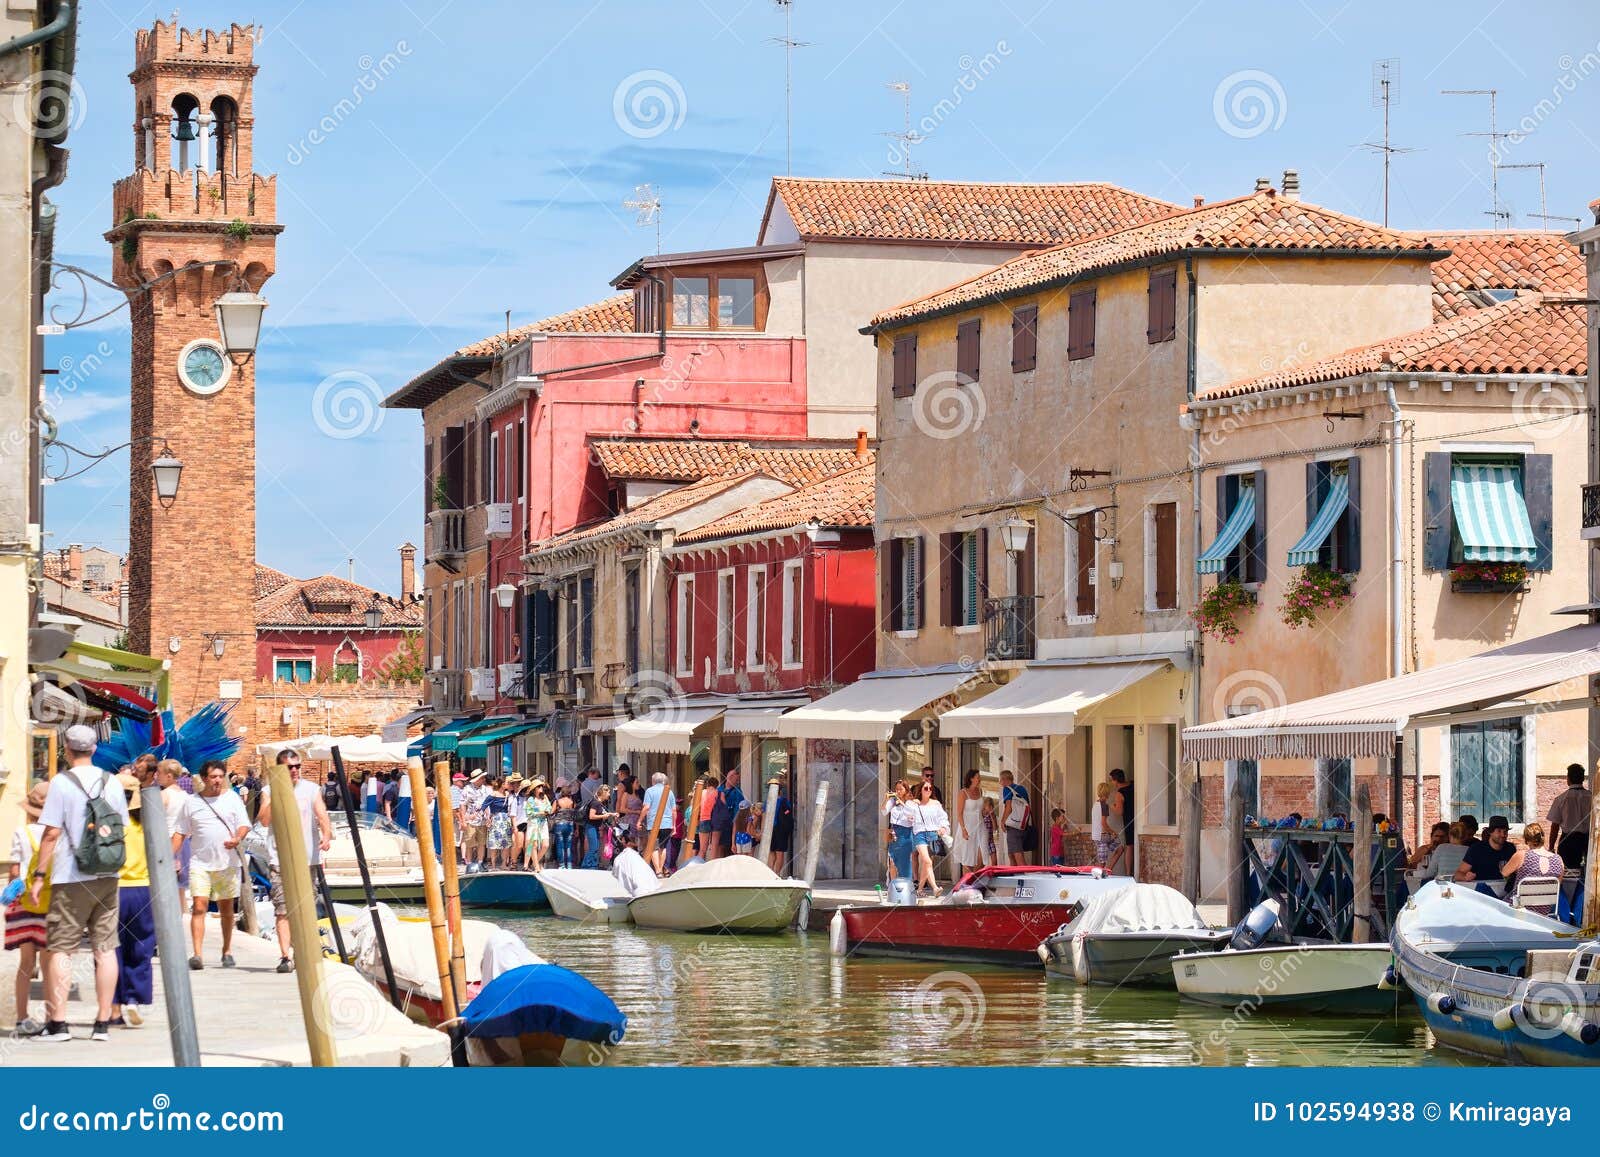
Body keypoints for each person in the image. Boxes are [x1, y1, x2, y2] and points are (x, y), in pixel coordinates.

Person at [29, 725, 129, 1042]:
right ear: (95, 749)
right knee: (106, 948)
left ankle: (58, 1023)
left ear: (67, 750)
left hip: (70, 878)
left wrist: (39, 876)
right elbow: (120, 827)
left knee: (61, 948)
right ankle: (102, 1023)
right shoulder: (112, 782)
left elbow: (51, 833)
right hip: (107, 876)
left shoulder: (60, 783)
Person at [257, 750, 333, 973]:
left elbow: (322, 814)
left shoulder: (311, 789)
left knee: (305, 908)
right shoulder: (268, 791)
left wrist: (326, 834)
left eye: (297, 766)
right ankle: (284, 956)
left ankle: (303, 953)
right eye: (289, 767)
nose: (294, 771)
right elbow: (263, 820)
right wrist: (280, 790)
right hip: (280, 858)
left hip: (307, 859)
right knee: (282, 909)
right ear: (280, 769)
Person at [173, 759, 250, 970]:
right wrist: (171, 855)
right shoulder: (191, 802)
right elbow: (180, 831)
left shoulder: (232, 799)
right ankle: (197, 954)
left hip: (227, 862)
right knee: (199, 906)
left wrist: (237, 838)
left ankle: (227, 950)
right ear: (204, 779)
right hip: (200, 862)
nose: (217, 780)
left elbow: (244, 824)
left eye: (220, 776)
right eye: (213, 777)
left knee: (226, 908)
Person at [6, 783, 51, 1037]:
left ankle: (22, 1017)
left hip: (24, 901)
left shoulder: (21, 832)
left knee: (26, 962)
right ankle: (50, 1016)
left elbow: (14, 872)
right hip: (48, 900)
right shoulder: (57, 832)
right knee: (48, 963)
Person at [110, 771, 154, 1027]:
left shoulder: (108, 824)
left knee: (110, 948)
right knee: (140, 947)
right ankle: (134, 999)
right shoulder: (146, 825)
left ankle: (113, 1005)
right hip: (143, 890)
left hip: (113, 889)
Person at [1499, 822, 1564, 914]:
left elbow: (1504, 873)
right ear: (1543, 838)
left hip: (1517, 909)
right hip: (1544, 911)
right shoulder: (1558, 859)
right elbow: (1558, 884)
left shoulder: (1522, 855)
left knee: (1483, 891)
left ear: (1526, 840)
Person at [1455, 814, 1517, 894]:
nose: (1503, 835)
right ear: (1490, 832)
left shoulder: (1510, 848)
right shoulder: (1476, 849)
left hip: (1505, 891)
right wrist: (1465, 877)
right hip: (1482, 893)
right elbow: (1458, 874)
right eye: (1499, 831)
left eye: (1505, 832)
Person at [909, 781, 951, 898]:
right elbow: (907, 816)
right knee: (927, 861)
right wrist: (912, 804)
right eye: (925, 788)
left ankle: (920, 890)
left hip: (932, 834)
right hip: (919, 834)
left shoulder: (936, 803)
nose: (928, 790)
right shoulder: (915, 804)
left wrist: (943, 827)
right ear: (921, 790)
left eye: (930, 788)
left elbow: (943, 818)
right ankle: (935, 888)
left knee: (926, 864)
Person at [1547, 763, 1591, 870]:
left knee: (1568, 875)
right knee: (1588, 872)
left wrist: (1551, 848)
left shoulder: (1561, 799)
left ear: (1568, 779)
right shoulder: (1592, 798)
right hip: (1588, 841)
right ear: (1582, 778)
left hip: (1568, 842)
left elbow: (1555, 825)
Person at [640, 773, 677, 875]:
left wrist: (640, 820)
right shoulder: (669, 792)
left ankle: (658, 871)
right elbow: (674, 810)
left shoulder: (649, 791)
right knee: (663, 847)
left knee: (653, 847)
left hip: (653, 823)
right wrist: (674, 825)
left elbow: (646, 807)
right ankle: (661, 868)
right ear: (664, 781)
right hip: (667, 823)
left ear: (653, 781)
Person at [953, 769, 985, 876]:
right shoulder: (963, 793)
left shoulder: (980, 791)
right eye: (977, 777)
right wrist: (963, 830)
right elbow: (959, 813)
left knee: (981, 857)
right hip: (967, 828)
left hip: (981, 827)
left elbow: (981, 810)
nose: (979, 778)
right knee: (968, 859)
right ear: (971, 778)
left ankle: (974, 881)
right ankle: (966, 886)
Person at [884, 779, 916, 881]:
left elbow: (913, 815)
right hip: (894, 832)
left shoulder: (911, 802)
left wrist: (901, 803)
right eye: (896, 789)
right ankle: (892, 886)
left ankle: (906, 886)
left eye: (900, 789)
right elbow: (884, 812)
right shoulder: (893, 801)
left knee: (905, 862)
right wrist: (886, 799)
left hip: (906, 833)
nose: (898, 791)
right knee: (892, 861)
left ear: (906, 790)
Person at [709, 769, 744, 861]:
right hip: (720, 824)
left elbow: (740, 809)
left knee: (733, 849)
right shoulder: (719, 790)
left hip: (733, 825)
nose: (737, 782)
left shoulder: (738, 791)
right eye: (736, 780)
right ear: (730, 778)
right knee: (720, 847)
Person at [610, 830, 657, 897]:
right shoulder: (640, 859)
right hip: (653, 890)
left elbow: (615, 875)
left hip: (638, 894)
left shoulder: (619, 859)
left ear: (623, 840)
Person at [1000, 770, 1031, 866]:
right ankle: (1015, 878)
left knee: (1017, 856)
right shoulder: (1022, 789)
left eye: (1000, 780)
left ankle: (1026, 879)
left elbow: (1008, 807)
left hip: (1013, 826)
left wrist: (1002, 821)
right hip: (1022, 825)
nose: (1000, 782)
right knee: (1012, 855)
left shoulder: (1006, 789)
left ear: (1005, 779)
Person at [584, 785, 618, 869]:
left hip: (595, 827)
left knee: (596, 846)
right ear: (604, 793)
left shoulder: (600, 803)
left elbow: (602, 813)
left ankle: (594, 865)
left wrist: (611, 814)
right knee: (593, 847)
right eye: (608, 793)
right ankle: (586, 865)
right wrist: (603, 816)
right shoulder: (595, 803)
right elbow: (591, 816)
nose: (609, 795)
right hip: (591, 826)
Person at [483, 777, 513, 870]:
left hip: (505, 820)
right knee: (493, 844)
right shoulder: (493, 794)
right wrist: (487, 818)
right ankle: (493, 865)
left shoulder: (508, 795)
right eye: (508, 783)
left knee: (506, 844)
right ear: (503, 784)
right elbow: (484, 806)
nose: (510, 785)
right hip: (495, 820)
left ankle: (504, 864)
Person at [461, 771, 489, 872]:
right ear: (476, 779)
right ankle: (469, 864)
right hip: (470, 821)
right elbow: (463, 805)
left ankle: (480, 863)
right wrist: (464, 820)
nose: (483, 779)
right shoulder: (467, 790)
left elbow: (487, 804)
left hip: (482, 820)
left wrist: (488, 817)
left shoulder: (486, 789)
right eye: (481, 778)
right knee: (470, 843)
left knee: (482, 843)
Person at [768, 778, 794, 876]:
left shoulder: (781, 801)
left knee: (775, 853)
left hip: (776, 830)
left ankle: (774, 875)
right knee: (776, 853)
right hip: (776, 830)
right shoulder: (783, 801)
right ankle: (774, 874)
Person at [1092, 782, 1121, 871]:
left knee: (1102, 860)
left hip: (1095, 836)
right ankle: (1107, 870)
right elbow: (1103, 823)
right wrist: (1113, 832)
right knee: (1119, 849)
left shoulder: (1095, 804)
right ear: (1107, 792)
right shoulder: (1104, 805)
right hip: (1103, 836)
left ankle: (1106, 871)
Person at [525, 781, 553, 870]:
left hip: (543, 823)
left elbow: (549, 808)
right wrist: (541, 812)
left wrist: (545, 811)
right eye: (539, 786)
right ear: (534, 789)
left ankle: (533, 863)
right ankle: (536, 865)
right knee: (533, 845)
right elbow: (529, 812)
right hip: (533, 823)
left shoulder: (544, 797)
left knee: (545, 845)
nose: (541, 788)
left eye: (541, 786)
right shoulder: (531, 799)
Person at [1110, 768, 1134, 862]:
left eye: (1112, 780)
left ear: (1116, 780)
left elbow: (1120, 812)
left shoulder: (1119, 793)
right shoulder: (1133, 784)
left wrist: (1112, 806)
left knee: (1129, 846)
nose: (1111, 782)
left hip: (1128, 820)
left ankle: (1128, 873)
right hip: (1138, 817)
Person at [550, 786, 577, 869]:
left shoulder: (557, 801)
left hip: (559, 825)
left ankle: (561, 865)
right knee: (568, 845)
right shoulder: (572, 802)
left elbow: (551, 812)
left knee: (560, 845)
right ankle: (569, 864)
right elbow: (574, 815)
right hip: (570, 825)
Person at [695, 774, 719, 860]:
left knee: (702, 849)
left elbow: (697, 807)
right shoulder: (717, 793)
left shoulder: (702, 792)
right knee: (714, 847)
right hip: (715, 821)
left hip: (704, 819)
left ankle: (698, 865)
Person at [506, 776, 527, 866]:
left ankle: (527, 863)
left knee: (528, 846)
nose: (518, 785)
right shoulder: (513, 797)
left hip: (529, 822)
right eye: (515, 783)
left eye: (519, 783)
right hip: (518, 823)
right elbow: (512, 814)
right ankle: (513, 861)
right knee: (519, 845)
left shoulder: (527, 797)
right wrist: (514, 827)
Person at [979, 795, 999, 867]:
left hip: (990, 841)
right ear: (984, 806)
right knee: (982, 862)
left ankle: (994, 875)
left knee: (994, 861)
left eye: (991, 806)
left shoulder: (992, 815)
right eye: (988, 806)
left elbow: (995, 828)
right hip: (982, 841)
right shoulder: (981, 815)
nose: (990, 808)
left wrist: (992, 816)